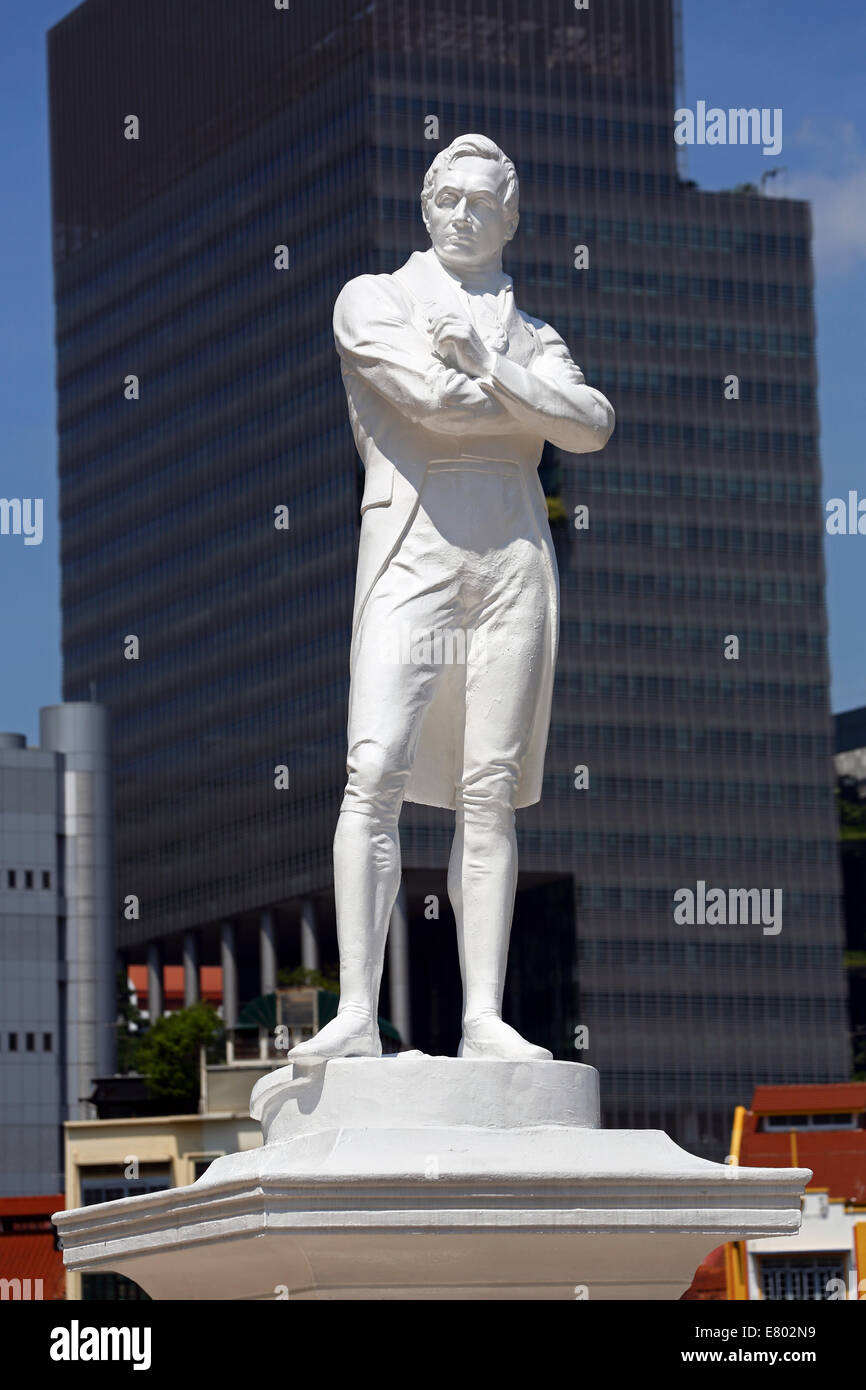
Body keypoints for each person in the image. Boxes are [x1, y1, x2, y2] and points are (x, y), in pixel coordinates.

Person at [290, 134, 614, 1061]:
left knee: (490, 792)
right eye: (448, 199)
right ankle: (356, 1011)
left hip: (512, 561)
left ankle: (483, 1019)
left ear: (510, 218)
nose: (463, 214)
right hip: (414, 550)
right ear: (425, 207)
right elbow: (429, 403)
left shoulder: (530, 330)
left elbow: (590, 424)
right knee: (375, 765)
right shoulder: (373, 298)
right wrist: (525, 409)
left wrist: (492, 365)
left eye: (482, 202)